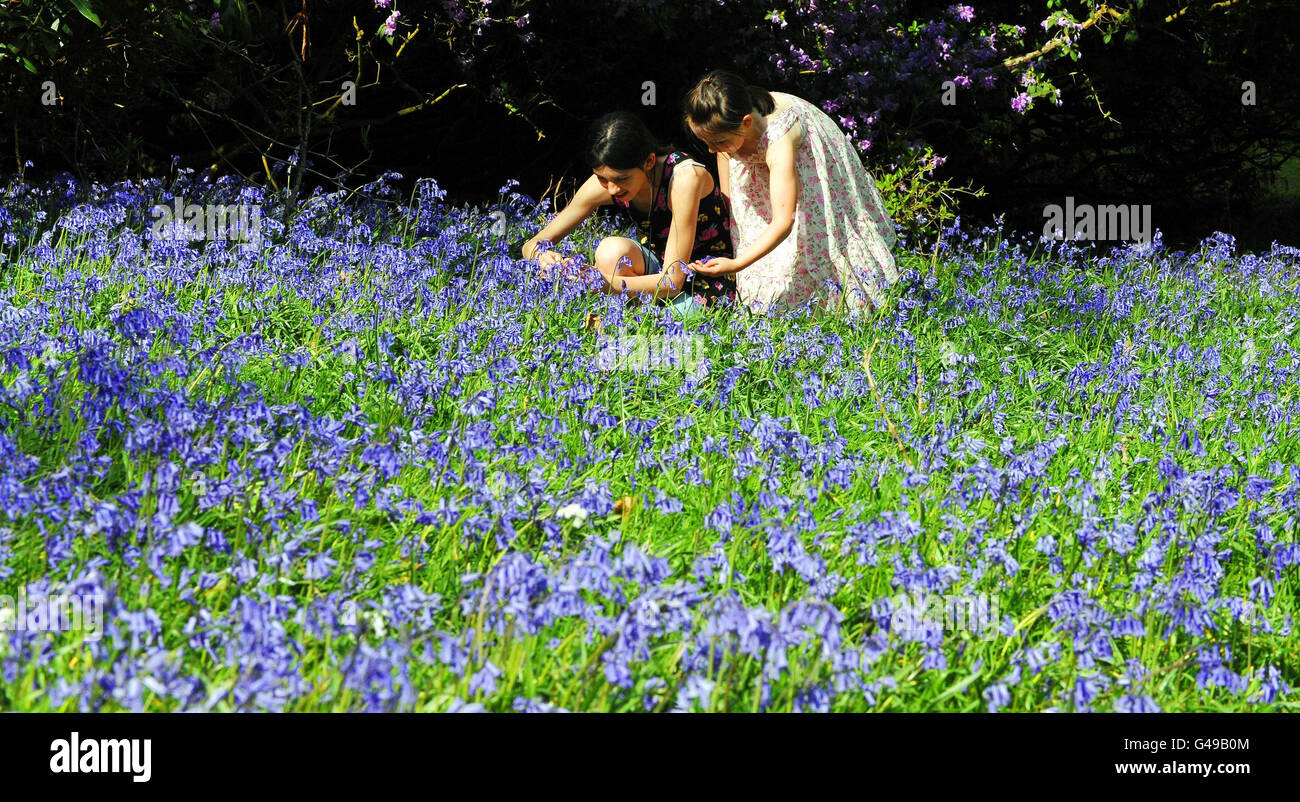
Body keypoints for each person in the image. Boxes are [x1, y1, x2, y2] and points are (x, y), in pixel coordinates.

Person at [681, 70, 898, 314]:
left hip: (806, 161)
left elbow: (784, 221)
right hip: (752, 144)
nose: (711, 150)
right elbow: (723, 155)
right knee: (755, 269)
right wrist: (729, 209)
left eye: (717, 142)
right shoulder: (727, 125)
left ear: (746, 123)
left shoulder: (778, 140)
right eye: (707, 142)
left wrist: (736, 264)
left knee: (809, 239)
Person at [520, 111, 735, 311]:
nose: (612, 188)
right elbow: (531, 245)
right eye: (603, 178)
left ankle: (641, 313)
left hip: (705, 276)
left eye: (622, 179)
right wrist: (542, 256)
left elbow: (672, 281)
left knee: (676, 318)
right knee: (610, 252)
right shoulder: (607, 182)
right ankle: (639, 310)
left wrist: (604, 284)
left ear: (649, 161)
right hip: (660, 268)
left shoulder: (684, 179)